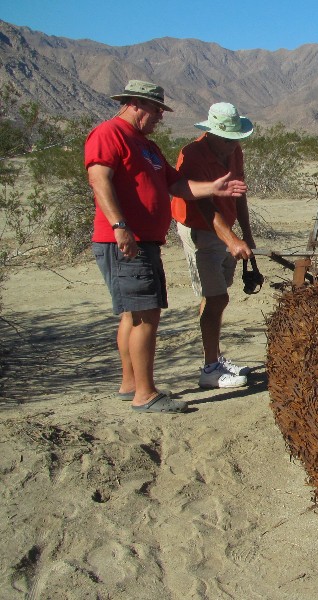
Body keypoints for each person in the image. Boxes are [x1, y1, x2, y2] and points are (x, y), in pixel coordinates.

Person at [86, 81, 248, 413]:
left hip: (146, 240)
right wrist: (120, 226)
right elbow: (99, 179)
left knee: (134, 313)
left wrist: (212, 186)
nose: (161, 116)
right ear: (134, 104)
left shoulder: (148, 146)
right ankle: (145, 394)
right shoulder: (109, 134)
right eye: (156, 109)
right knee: (146, 314)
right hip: (126, 238)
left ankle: (130, 384)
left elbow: (176, 184)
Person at [172, 102, 257, 389]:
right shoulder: (192, 155)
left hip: (225, 228)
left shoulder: (234, 151)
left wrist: (245, 232)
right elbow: (205, 208)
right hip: (199, 228)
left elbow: (239, 194)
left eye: (236, 139)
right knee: (217, 297)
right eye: (227, 139)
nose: (232, 145)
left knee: (214, 295)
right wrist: (231, 240)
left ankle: (214, 358)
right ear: (211, 133)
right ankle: (210, 369)